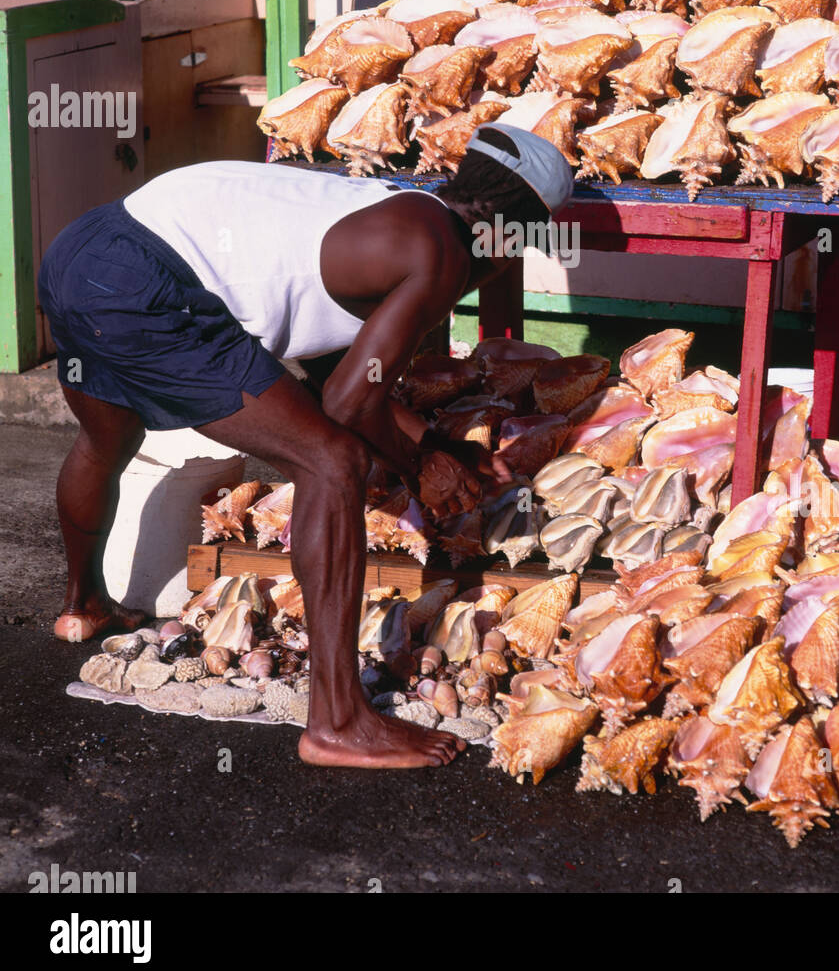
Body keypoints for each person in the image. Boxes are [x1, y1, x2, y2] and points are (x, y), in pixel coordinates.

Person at [37, 125, 574, 770]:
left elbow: (336, 375)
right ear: (510, 235)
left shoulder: (390, 204)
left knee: (106, 436)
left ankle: (83, 606)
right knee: (332, 462)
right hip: (146, 289)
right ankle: (338, 723)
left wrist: (434, 446)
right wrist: (420, 464)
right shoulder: (441, 253)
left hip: (85, 249)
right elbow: (348, 406)